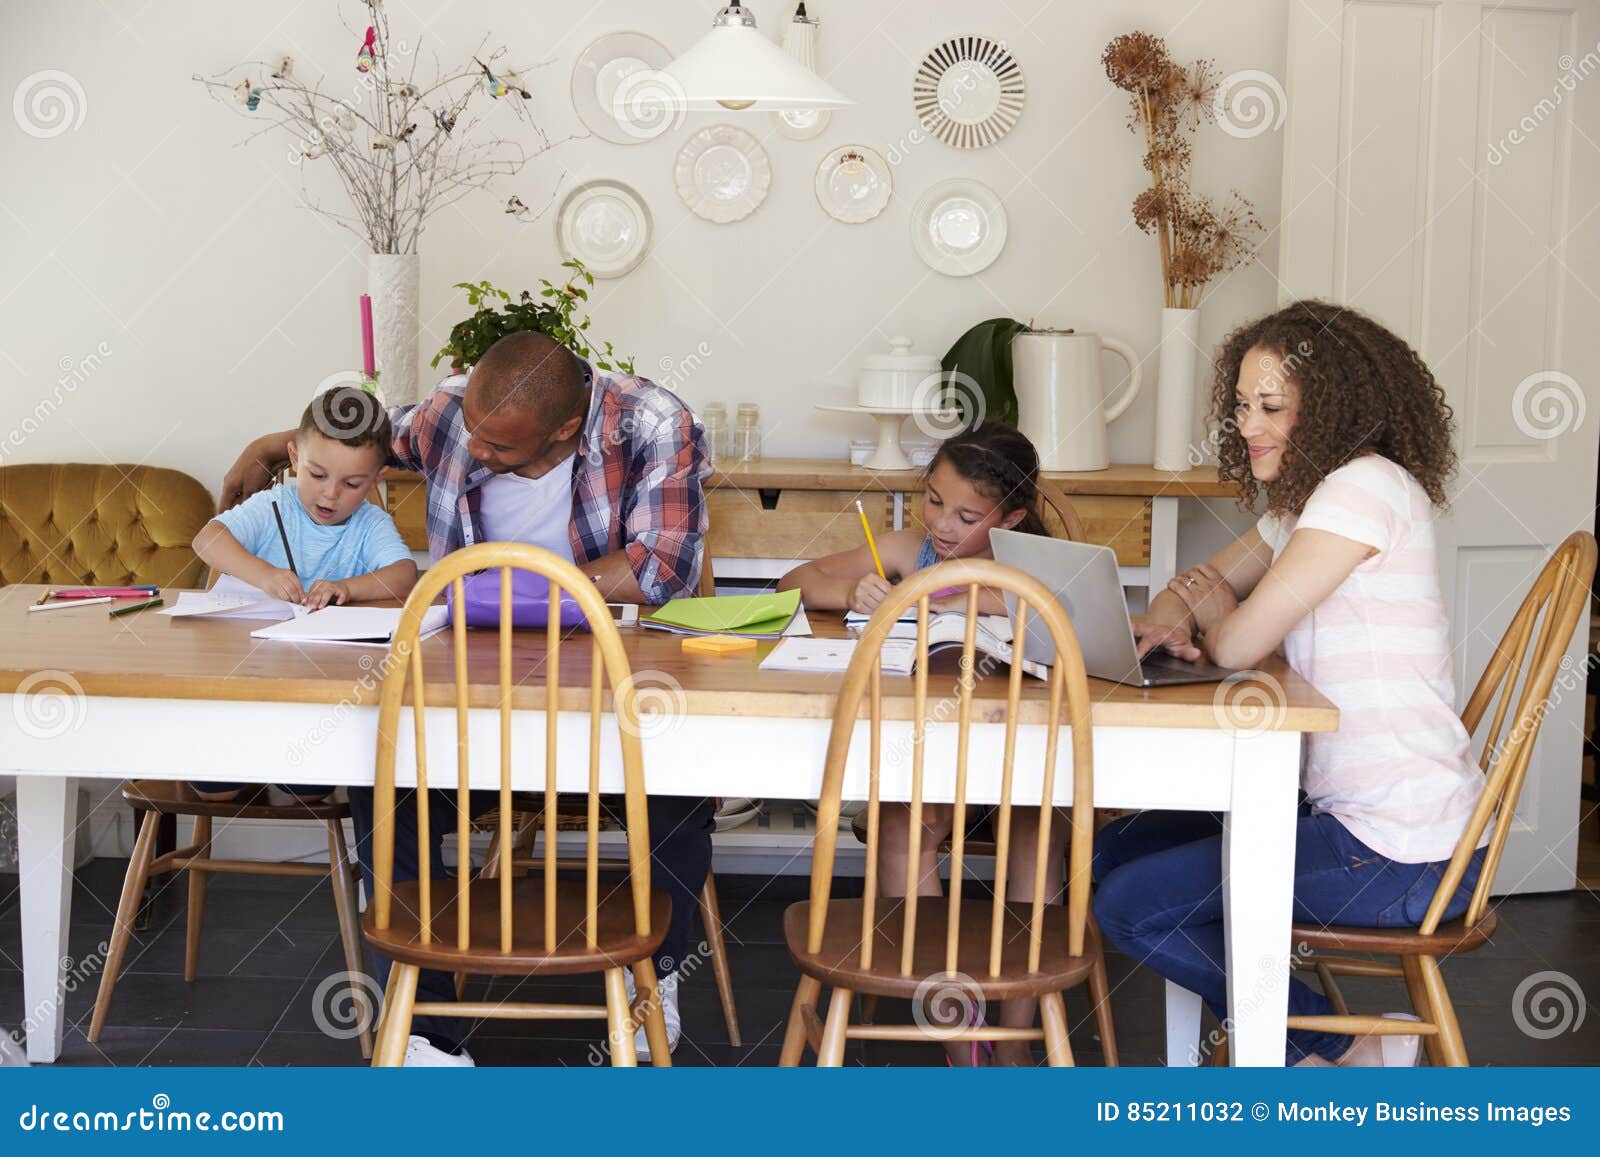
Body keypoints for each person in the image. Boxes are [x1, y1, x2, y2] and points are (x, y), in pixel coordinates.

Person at [220, 333, 713, 1066]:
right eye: (470, 434)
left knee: (680, 784)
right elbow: (373, 437)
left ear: (565, 430)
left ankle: (655, 991)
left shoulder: (653, 423)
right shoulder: (451, 414)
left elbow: (661, 565)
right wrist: (267, 448)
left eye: (498, 447)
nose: (474, 451)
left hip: (605, 674)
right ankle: (422, 1025)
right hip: (469, 686)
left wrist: (508, 584)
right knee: (384, 787)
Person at [1092, 299, 1489, 1067]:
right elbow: (1202, 587)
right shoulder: (1307, 501)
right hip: (1354, 824)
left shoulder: (1362, 490)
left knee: (1130, 906)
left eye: (1271, 406)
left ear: (1332, 406)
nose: (1246, 423)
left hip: (1405, 854)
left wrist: (1216, 613)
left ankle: (1331, 1049)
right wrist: (1180, 614)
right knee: (1118, 852)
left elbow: (1238, 637)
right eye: (1242, 403)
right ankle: (1299, 1048)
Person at [780, 423, 1062, 1065]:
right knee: (902, 824)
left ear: (1014, 515)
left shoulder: (1041, 572)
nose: (942, 523)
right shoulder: (912, 551)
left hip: (1026, 768)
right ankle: (966, 1044)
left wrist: (984, 600)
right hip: (927, 765)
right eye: (933, 499)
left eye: (967, 515)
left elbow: (1078, 620)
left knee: (1036, 828)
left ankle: (1017, 1039)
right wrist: (852, 591)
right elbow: (795, 580)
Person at [191, 386, 416, 802]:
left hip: (318, 700)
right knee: (213, 791)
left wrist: (347, 588)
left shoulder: (369, 524)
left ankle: (284, 765)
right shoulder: (273, 506)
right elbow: (207, 540)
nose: (330, 494)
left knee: (308, 790)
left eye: (351, 483)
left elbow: (403, 575)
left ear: (376, 479)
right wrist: (265, 575)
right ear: (294, 458)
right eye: (316, 476)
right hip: (240, 685)